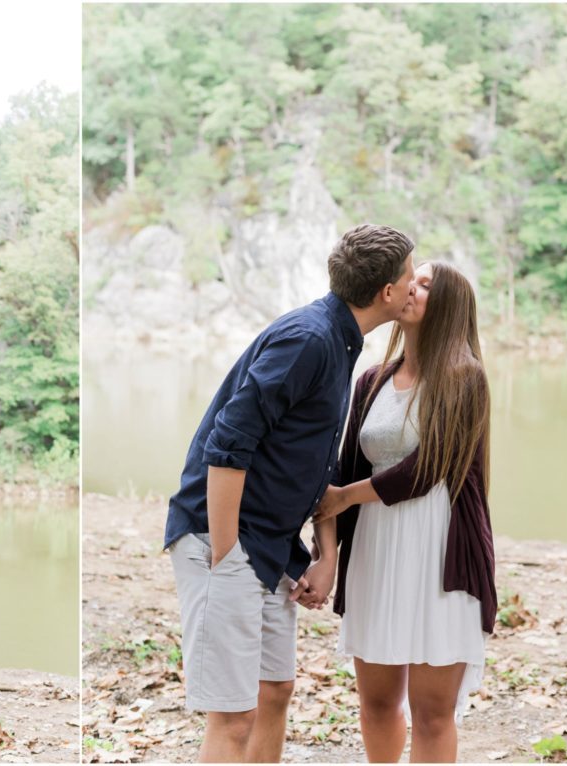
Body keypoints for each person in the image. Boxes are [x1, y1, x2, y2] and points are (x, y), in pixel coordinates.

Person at [163, 224, 416, 763]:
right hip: (224, 538)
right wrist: (226, 553)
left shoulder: (341, 341)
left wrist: (327, 554)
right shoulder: (308, 339)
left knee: (274, 691)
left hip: (273, 547)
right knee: (233, 717)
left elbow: (315, 466)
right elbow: (228, 442)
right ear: (387, 293)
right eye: (410, 277)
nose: (416, 286)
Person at [312, 261, 496, 763]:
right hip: (376, 551)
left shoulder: (464, 378)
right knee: (374, 703)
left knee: (433, 713)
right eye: (411, 279)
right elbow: (339, 471)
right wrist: (327, 554)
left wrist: (348, 495)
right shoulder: (371, 380)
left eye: (425, 284)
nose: (409, 288)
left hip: (439, 553)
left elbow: (429, 467)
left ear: (449, 305)